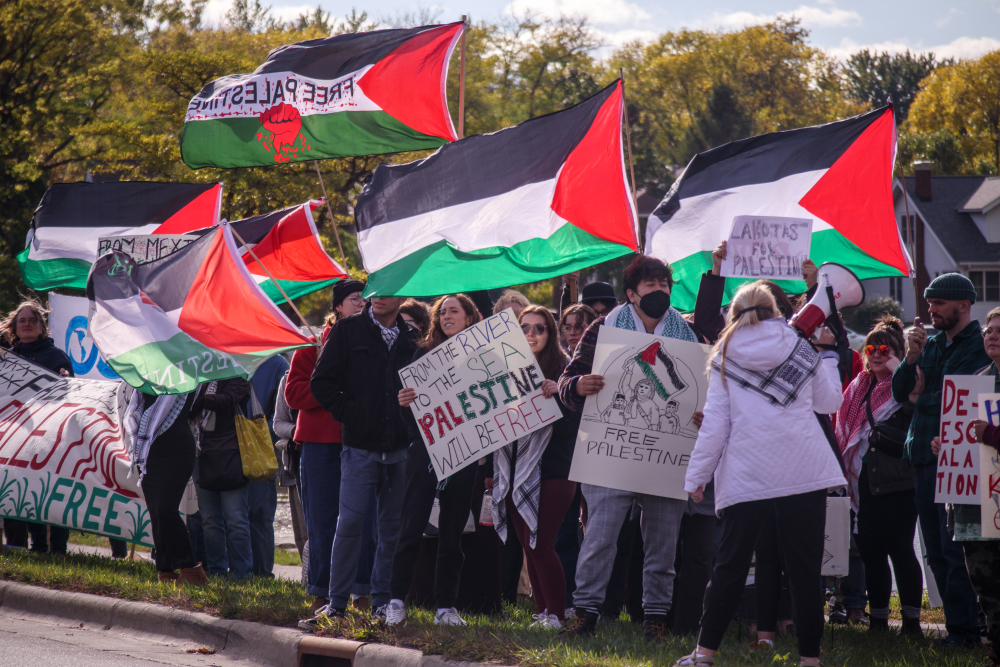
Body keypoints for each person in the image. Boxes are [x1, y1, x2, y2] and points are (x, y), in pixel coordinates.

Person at [675, 282, 846, 667]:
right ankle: (810, 659)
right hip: (804, 470)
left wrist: (696, 477)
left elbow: (716, 424)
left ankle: (704, 654)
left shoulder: (723, 354)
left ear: (734, 314)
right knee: (804, 569)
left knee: (730, 567)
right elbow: (829, 402)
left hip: (747, 473)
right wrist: (829, 357)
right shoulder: (800, 345)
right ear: (775, 310)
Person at [558, 254, 695, 641]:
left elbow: (705, 389)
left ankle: (655, 619)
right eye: (651, 286)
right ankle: (585, 614)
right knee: (599, 537)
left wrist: (702, 413)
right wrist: (579, 386)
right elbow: (567, 380)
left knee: (663, 543)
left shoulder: (688, 334)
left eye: (664, 285)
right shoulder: (604, 329)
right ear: (632, 294)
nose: (660, 292)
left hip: (664, 457)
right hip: (610, 455)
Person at [302, 295, 419, 626]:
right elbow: (321, 383)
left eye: (389, 289)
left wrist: (408, 416)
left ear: (402, 295)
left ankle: (382, 603)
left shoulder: (413, 337)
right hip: (359, 448)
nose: (379, 296)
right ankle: (337, 604)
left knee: (391, 530)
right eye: (375, 288)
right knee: (350, 524)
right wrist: (352, 415)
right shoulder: (347, 331)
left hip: (400, 450)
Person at [891, 273, 989, 648]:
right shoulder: (930, 345)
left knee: (954, 548)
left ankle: (965, 632)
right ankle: (956, 627)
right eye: (929, 303)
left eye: (938, 303)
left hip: (956, 456)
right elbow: (901, 392)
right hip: (923, 454)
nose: (930, 310)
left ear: (963, 305)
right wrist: (911, 357)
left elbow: (957, 395)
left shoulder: (976, 345)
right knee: (934, 549)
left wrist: (923, 394)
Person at [390, 294, 483, 627]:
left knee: (452, 532)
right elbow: (412, 420)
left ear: (470, 318)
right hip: (425, 450)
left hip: (465, 451)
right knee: (411, 525)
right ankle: (396, 600)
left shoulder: (484, 357)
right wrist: (406, 405)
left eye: (454, 311)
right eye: (441, 312)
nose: (446, 316)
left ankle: (446, 606)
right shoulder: (423, 356)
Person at [487, 305, 580, 629]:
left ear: (550, 333)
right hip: (515, 470)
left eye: (539, 328)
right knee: (529, 545)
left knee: (542, 543)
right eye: (524, 327)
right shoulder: (506, 370)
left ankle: (556, 614)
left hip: (554, 470)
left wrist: (560, 396)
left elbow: (578, 424)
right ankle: (543, 613)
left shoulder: (566, 369)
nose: (531, 334)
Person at [835, 317, 923, 636]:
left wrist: (902, 366)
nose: (875, 353)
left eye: (884, 348)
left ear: (896, 351)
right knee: (871, 553)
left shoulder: (909, 382)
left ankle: (912, 622)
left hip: (898, 480)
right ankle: (878, 621)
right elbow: (844, 431)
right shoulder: (859, 385)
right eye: (870, 347)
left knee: (901, 549)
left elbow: (918, 416)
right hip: (863, 483)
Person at [286, 279, 365, 611]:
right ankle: (320, 593)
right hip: (320, 446)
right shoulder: (313, 343)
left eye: (366, 299)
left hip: (361, 442)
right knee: (321, 522)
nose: (362, 304)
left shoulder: (372, 343)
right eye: (355, 299)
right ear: (337, 306)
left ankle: (361, 593)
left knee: (361, 521)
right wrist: (329, 387)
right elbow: (293, 394)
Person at [933, 305, 1000, 665]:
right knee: (984, 581)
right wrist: (948, 446)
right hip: (978, 502)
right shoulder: (976, 381)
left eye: (999, 331)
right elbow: (966, 437)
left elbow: (986, 434)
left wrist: (990, 434)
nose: (991, 336)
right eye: (989, 330)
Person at [0, 300, 74, 554]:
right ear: (15, 328)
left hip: (50, 438)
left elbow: (71, 398)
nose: (28, 324)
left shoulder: (57, 358)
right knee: (28, 491)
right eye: (23, 320)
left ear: (42, 328)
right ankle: (38, 546)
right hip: (17, 439)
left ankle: (59, 549)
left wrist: (66, 382)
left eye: (33, 320)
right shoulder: (8, 360)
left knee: (52, 491)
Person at [193, 377, 253, 578]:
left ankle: (242, 575)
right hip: (201, 453)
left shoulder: (238, 373)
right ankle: (217, 571)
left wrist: (198, 398)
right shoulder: (198, 374)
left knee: (236, 519)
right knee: (209, 519)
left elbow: (227, 400)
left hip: (230, 454)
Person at [248, 353, 290, 578]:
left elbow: (282, 414)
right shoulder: (225, 357)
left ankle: (261, 573)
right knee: (228, 514)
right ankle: (230, 569)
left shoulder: (277, 364)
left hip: (261, 449)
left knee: (260, 512)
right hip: (225, 447)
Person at [273, 371, 306, 559]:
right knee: (302, 530)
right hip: (295, 460)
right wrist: (299, 431)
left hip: (333, 460)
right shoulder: (287, 379)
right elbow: (278, 423)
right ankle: (308, 576)